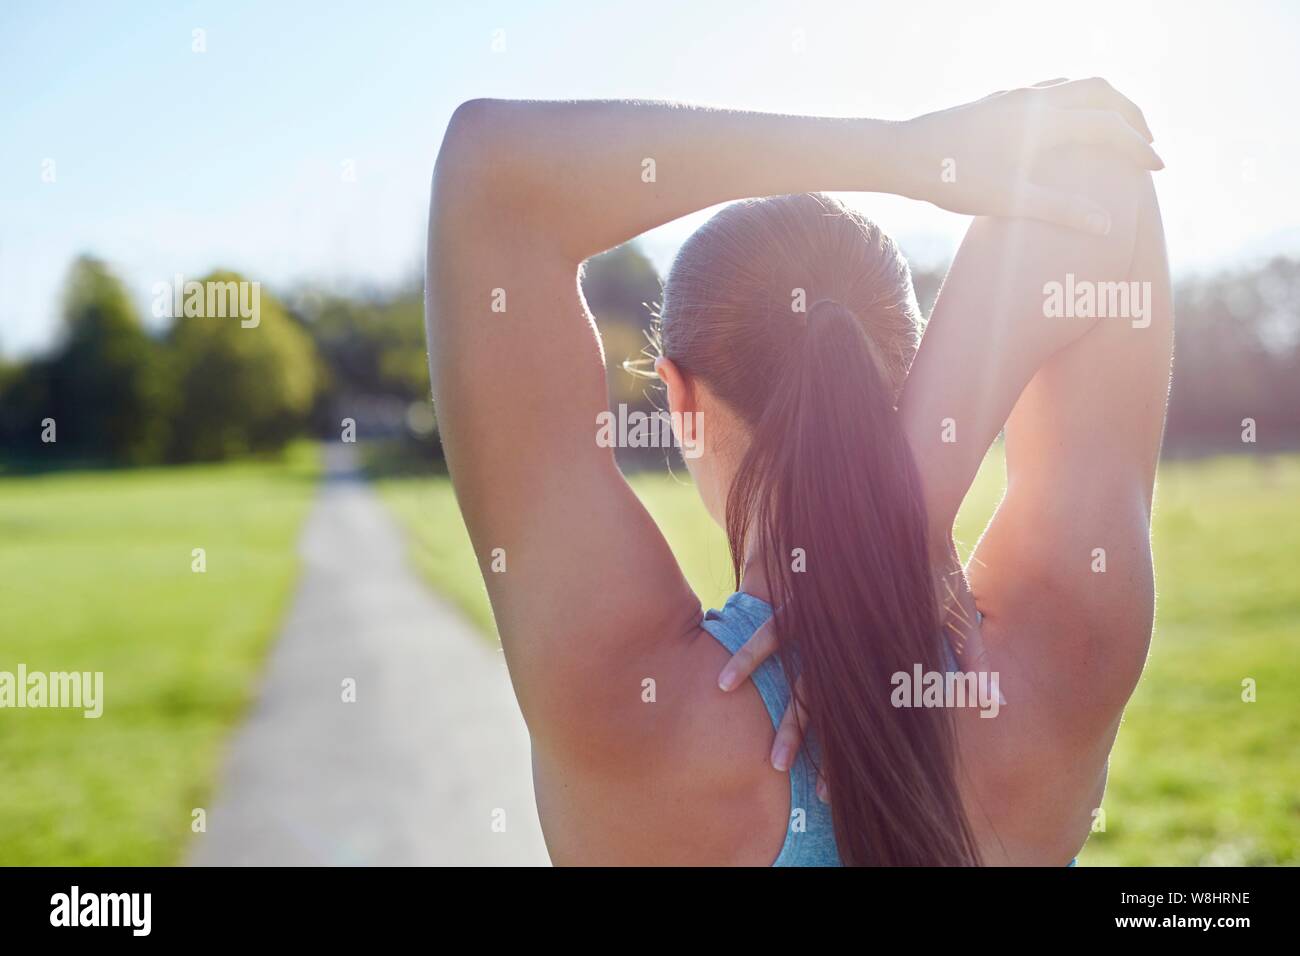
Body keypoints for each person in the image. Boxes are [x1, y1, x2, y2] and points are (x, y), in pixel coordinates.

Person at [424, 79, 1173, 865]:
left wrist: (900, 154)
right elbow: (1104, 162)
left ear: (678, 397)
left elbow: (491, 170)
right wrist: (900, 517)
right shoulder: (1053, 659)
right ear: (914, 377)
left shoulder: (627, 699)